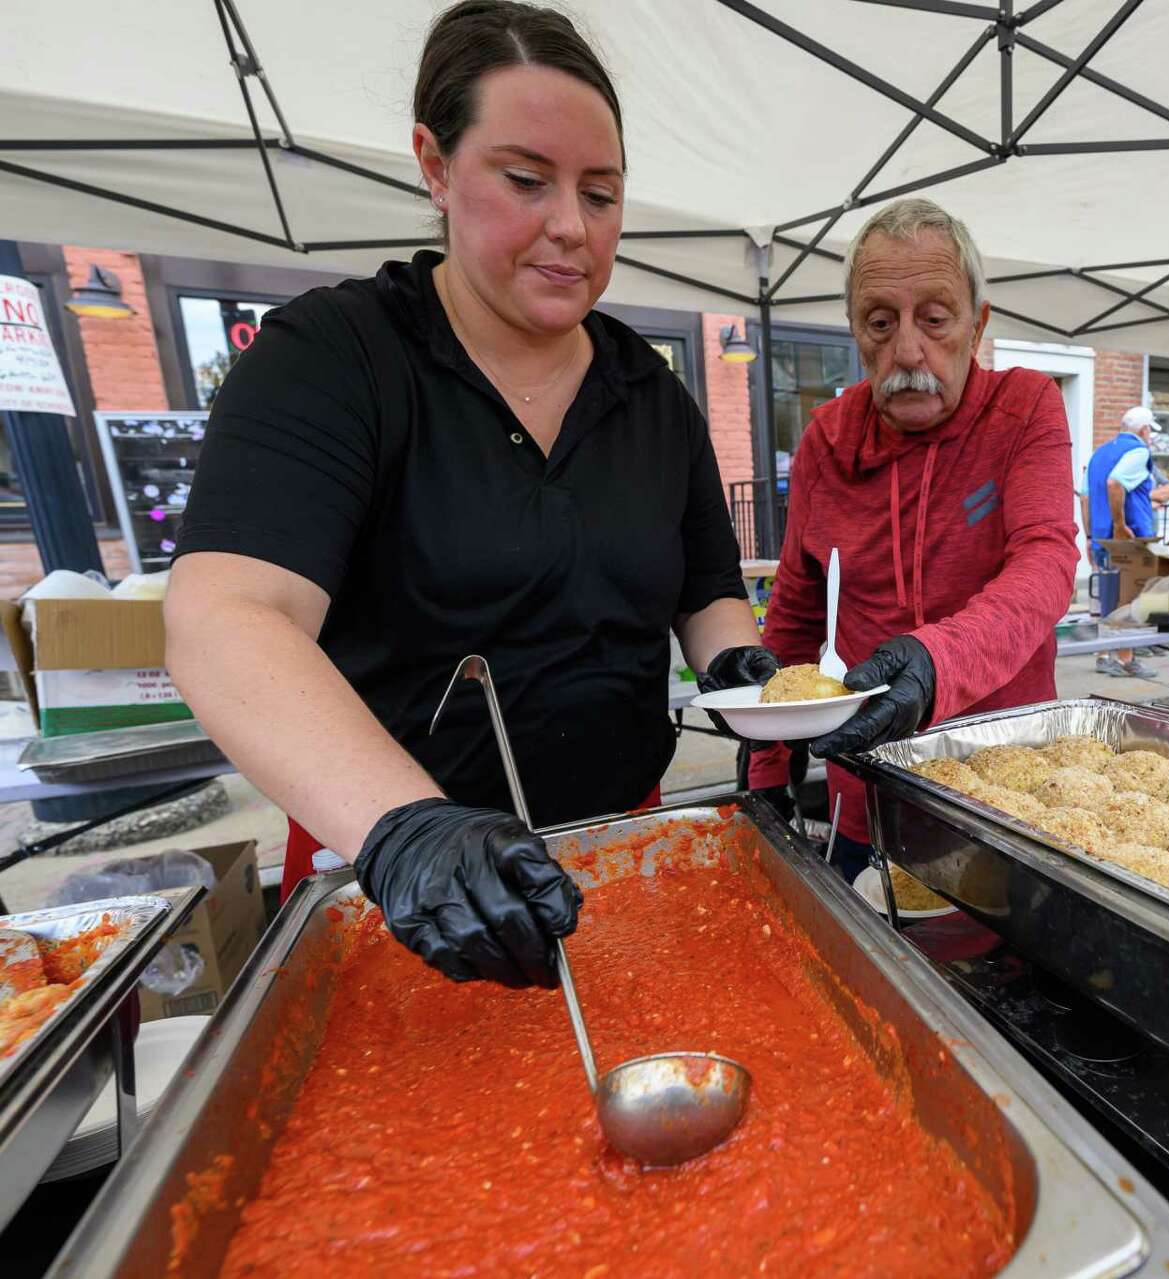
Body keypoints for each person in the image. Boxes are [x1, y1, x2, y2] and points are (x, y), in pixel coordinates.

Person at [166, 1, 778, 988]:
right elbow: (225, 617)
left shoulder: (653, 397)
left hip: (626, 856)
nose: (571, 227)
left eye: (602, 193)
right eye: (527, 181)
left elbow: (705, 594)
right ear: (437, 165)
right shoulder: (332, 359)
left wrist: (752, 673)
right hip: (387, 884)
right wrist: (407, 829)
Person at [749, 197, 1078, 878]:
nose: (907, 351)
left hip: (1004, 792)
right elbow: (795, 613)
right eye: (879, 322)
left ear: (977, 323)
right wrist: (766, 764)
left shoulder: (1024, 408)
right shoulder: (825, 441)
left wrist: (936, 660)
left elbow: (1046, 561)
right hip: (863, 790)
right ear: (853, 329)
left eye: (934, 320)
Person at [1084, 404, 1169, 676]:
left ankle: (1103, 655)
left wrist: (1090, 536)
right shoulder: (1138, 452)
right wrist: (1120, 525)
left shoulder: (1099, 453)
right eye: (1150, 432)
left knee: (1106, 598)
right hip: (1129, 538)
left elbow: (1085, 495)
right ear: (1144, 430)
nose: (1150, 438)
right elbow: (1116, 483)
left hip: (1102, 538)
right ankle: (1126, 659)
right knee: (1128, 600)